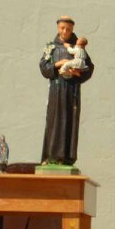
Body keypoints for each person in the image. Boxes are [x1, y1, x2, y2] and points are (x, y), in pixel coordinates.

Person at [39, 16, 93, 167]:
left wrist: (77, 71)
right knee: (53, 121)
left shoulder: (78, 48)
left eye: (68, 29)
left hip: (71, 90)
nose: (65, 31)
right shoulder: (52, 47)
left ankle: (66, 157)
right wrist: (58, 64)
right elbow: (44, 67)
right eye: (62, 28)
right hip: (56, 90)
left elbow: (89, 67)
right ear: (58, 28)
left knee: (69, 122)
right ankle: (50, 156)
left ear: (72, 30)